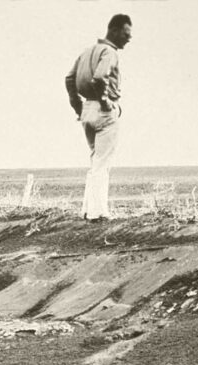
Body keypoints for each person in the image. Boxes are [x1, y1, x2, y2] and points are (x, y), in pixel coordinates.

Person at [65, 14, 133, 222]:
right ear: (113, 31)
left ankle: (87, 210)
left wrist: (78, 108)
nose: (128, 38)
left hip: (87, 109)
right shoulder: (110, 52)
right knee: (103, 164)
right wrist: (105, 101)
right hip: (104, 111)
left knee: (95, 161)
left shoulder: (87, 52)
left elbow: (69, 79)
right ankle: (98, 213)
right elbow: (100, 77)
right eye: (125, 33)